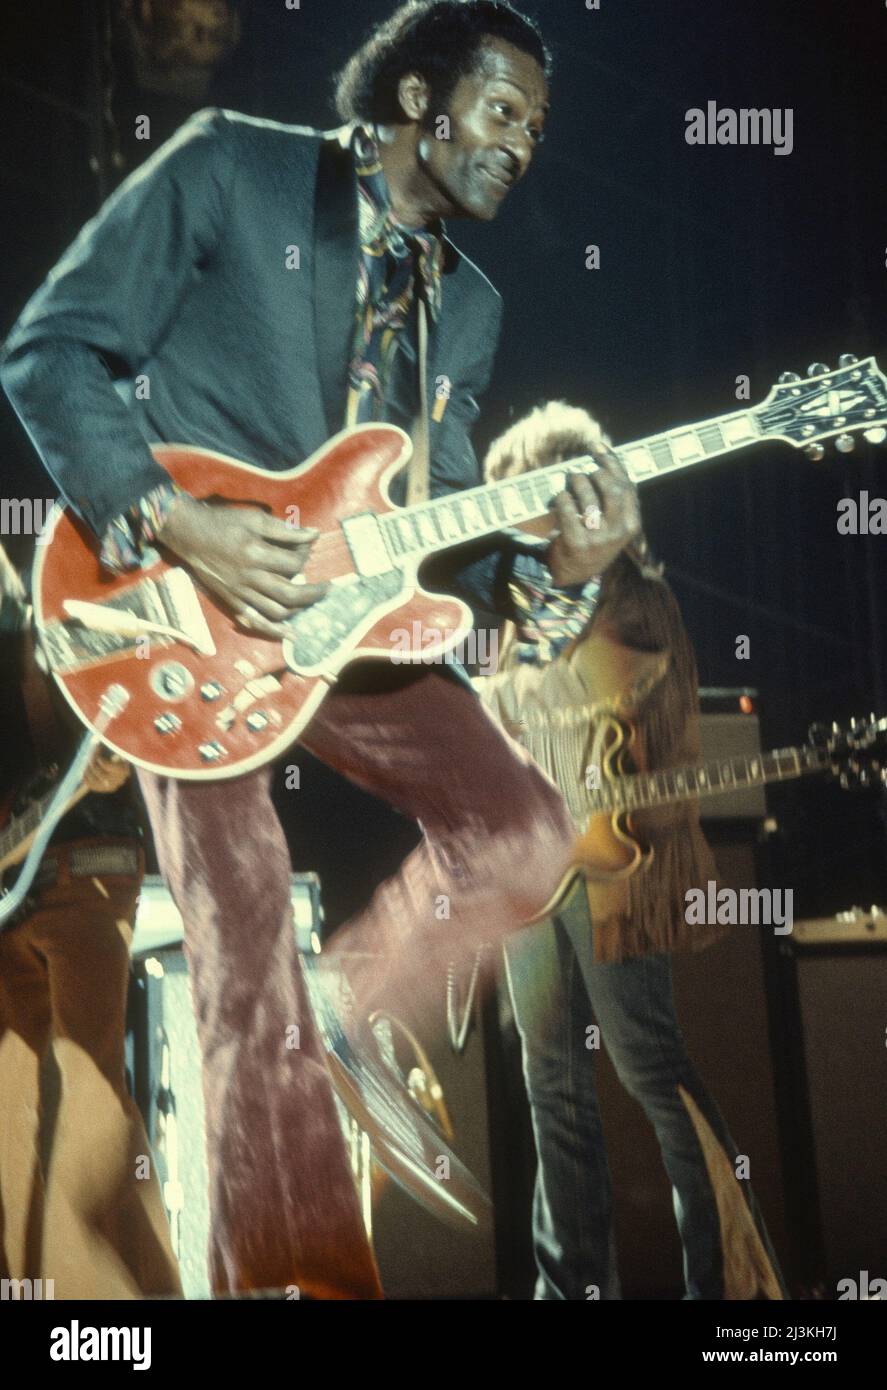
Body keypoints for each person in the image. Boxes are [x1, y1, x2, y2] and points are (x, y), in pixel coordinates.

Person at [1, 2, 639, 1298]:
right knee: (242, 953)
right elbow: (49, 350)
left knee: (521, 830)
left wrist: (554, 575)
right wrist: (179, 520)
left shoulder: (467, 307)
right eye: (502, 110)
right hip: (180, 616)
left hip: (349, 628)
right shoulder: (230, 166)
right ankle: (301, 1287)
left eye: (536, 127)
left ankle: (352, 1000)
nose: (520, 144)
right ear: (416, 97)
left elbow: (443, 535)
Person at [477, 402, 788, 1300]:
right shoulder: (509, 601)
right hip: (529, 878)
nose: (509, 520)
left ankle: (734, 1288)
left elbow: (613, 721)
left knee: (650, 1066)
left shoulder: (635, 598)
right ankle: (571, 1286)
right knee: (551, 1087)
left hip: (614, 870)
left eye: (522, 497)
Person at [0, 544, 181, 1299]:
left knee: (87, 1092)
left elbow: (141, 696)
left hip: (87, 859)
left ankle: (121, 1316)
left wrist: (93, 770)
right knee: (10, 1115)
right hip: (23, 875)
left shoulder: (42, 614)